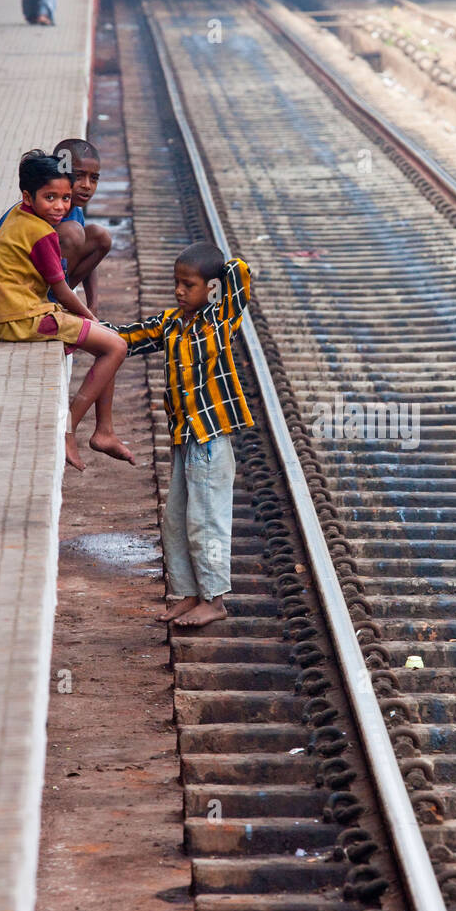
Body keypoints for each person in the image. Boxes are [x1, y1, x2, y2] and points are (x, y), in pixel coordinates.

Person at [113, 243, 252, 627]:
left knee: (205, 519)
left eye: (188, 284)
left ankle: (215, 599)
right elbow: (127, 337)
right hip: (184, 438)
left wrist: (216, 281)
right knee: (176, 518)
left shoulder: (221, 319)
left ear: (210, 288)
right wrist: (80, 330)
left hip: (210, 438)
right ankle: (191, 593)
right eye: (176, 283)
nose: (179, 291)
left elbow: (240, 272)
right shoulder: (173, 323)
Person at [0, 151, 133, 473]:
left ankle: (103, 431)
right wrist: (90, 318)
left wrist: (91, 321)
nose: (60, 207)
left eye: (65, 199)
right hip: (27, 320)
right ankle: (69, 429)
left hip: (17, 316)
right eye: (50, 198)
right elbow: (64, 290)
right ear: (29, 196)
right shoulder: (41, 234)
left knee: (107, 342)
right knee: (116, 345)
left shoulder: (19, 216)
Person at [0, 138, 112, 315]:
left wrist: (93, 305)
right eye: (78, 177)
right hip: (24, 288)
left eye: (93, 179)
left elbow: (87, 256)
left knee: (99, 236)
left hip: (52, 281)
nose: (87, 185)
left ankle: (56, 298)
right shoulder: (31, 209)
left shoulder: (75, 211)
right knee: (73, 233)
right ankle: (49, 301)